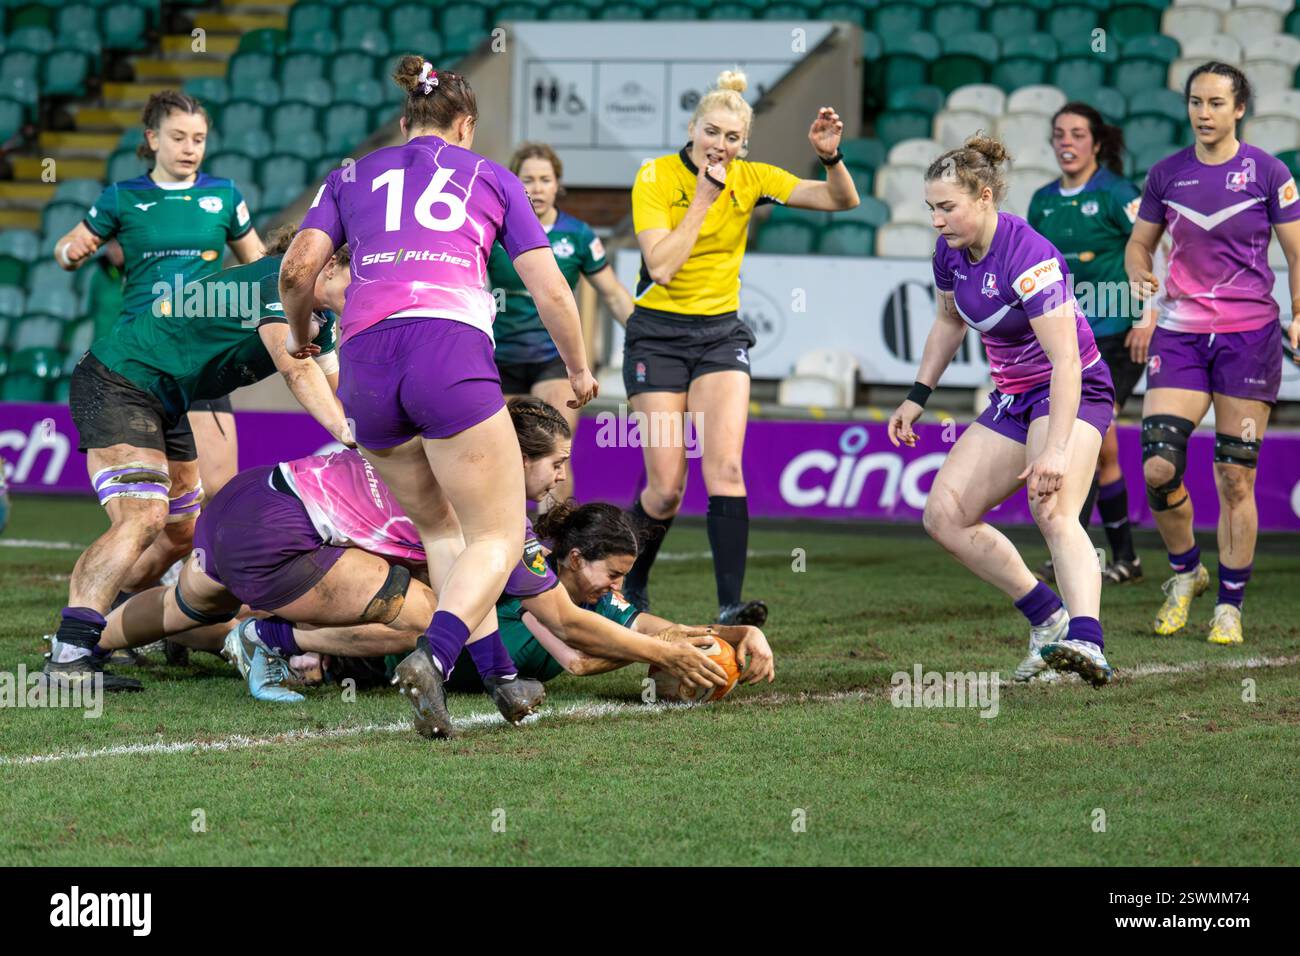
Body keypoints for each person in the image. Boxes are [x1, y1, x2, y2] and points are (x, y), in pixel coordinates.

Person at [281, 56, 598, 739]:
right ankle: (435, 654)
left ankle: (500, 680)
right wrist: (577, 370)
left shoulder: (349, 175)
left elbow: (298, 269)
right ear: (466, 126)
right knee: (501, 532)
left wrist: (306, 336)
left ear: (403, 123)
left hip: (365, 364)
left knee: (442, 530)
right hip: (447, 353)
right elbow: (549, 289)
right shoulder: (492, 176)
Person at [93, 400, 727, 719]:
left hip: (251, 496)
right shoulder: (493, 503)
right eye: (553, 463)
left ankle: (80, 644)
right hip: (285, 532)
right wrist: (665, 651)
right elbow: (563, 623)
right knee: (429, 619)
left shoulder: (443, 442)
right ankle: (265, 637)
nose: (561, 477)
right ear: (514, 454)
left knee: (184, 605)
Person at [41, 236, 352, 691]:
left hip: (166, 399)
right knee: (143, 515)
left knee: (181, 532)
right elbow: (298, 372)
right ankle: (69, 655)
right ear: (327, 268)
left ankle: (109, 631)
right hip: (121, 381)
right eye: (358, 279)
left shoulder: (319, 322)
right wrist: (348, 434)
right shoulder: (274, 286)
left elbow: (340, 392)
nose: (366, 291)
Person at [622, 69, 860, 625]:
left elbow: (840, 200)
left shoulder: (751, 178)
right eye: (712, 132)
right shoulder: (655, 177)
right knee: (665, 489)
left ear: (744, 143)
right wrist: (705, 197)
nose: (721, 145)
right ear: (692, 128)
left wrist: (830, 156)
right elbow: (660, 266)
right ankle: (630, 581)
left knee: (726, 469)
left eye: (732, 138)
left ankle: (730, 605)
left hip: (719, 336)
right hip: (656, 335)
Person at [888, 135, 1117, 687]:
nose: (937, 221)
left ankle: (1088, 640)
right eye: (931, 209)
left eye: (948, 208)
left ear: (985, 197)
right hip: (1014, 398)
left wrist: (1057, 450)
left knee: (1053, 508)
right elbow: (949, 321)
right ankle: (1047, 618)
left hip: (1073, 389)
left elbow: (1067, 363)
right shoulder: (949, 251)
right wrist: (919, 395)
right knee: (944, 515)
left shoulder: (1030, 256)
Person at [1126, 62, 1300, 645]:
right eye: (1197, 102)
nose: (1204, 113)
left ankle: (1230, 605)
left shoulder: (1269, 173)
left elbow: (1297, 255)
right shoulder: (1165, 174)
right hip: (1179, 333)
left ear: (1239, 109)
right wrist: (1139, 275)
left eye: (1217, 103)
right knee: (1158, 467)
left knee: (1234, 479)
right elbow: (1139, 245)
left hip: (1248, 338)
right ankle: (1185, 573)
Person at [53, 90, 263, 501]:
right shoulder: (121, 197)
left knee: (217, 487)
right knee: (155, 491)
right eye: (178, 137)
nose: (190, 148)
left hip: (202, 354)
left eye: (198, 139)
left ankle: (193, 564)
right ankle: (164, 561)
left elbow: (256, 265)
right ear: (152, 139)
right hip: (140, 356)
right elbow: (68, 248)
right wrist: (69, 251)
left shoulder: (225, 196)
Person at [1029, 102, 1153, 586]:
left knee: (1094, 439)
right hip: (1066, 344)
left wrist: (1147, 316)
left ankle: (1097, 552)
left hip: (1117, 338)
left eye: (1077, 134)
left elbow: (1151, 246)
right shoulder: (1042, 200)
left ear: (1096, 143)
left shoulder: (1117, 193)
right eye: (1059, 134)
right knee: (1096, 448)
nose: (1066, 142)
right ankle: (1106, 554)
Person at [489, 142, 635, 504]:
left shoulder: (579, 235)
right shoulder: (492, 230)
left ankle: (555, 549)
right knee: (501, 458)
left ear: (558, 185)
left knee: (552, 454)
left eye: (545, 179)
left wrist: (648, 340)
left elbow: (614, 294)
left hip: (555, 360)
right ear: (513, 185)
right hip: (498, 359)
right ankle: (508, 547)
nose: (537, 188)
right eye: (527, 180)